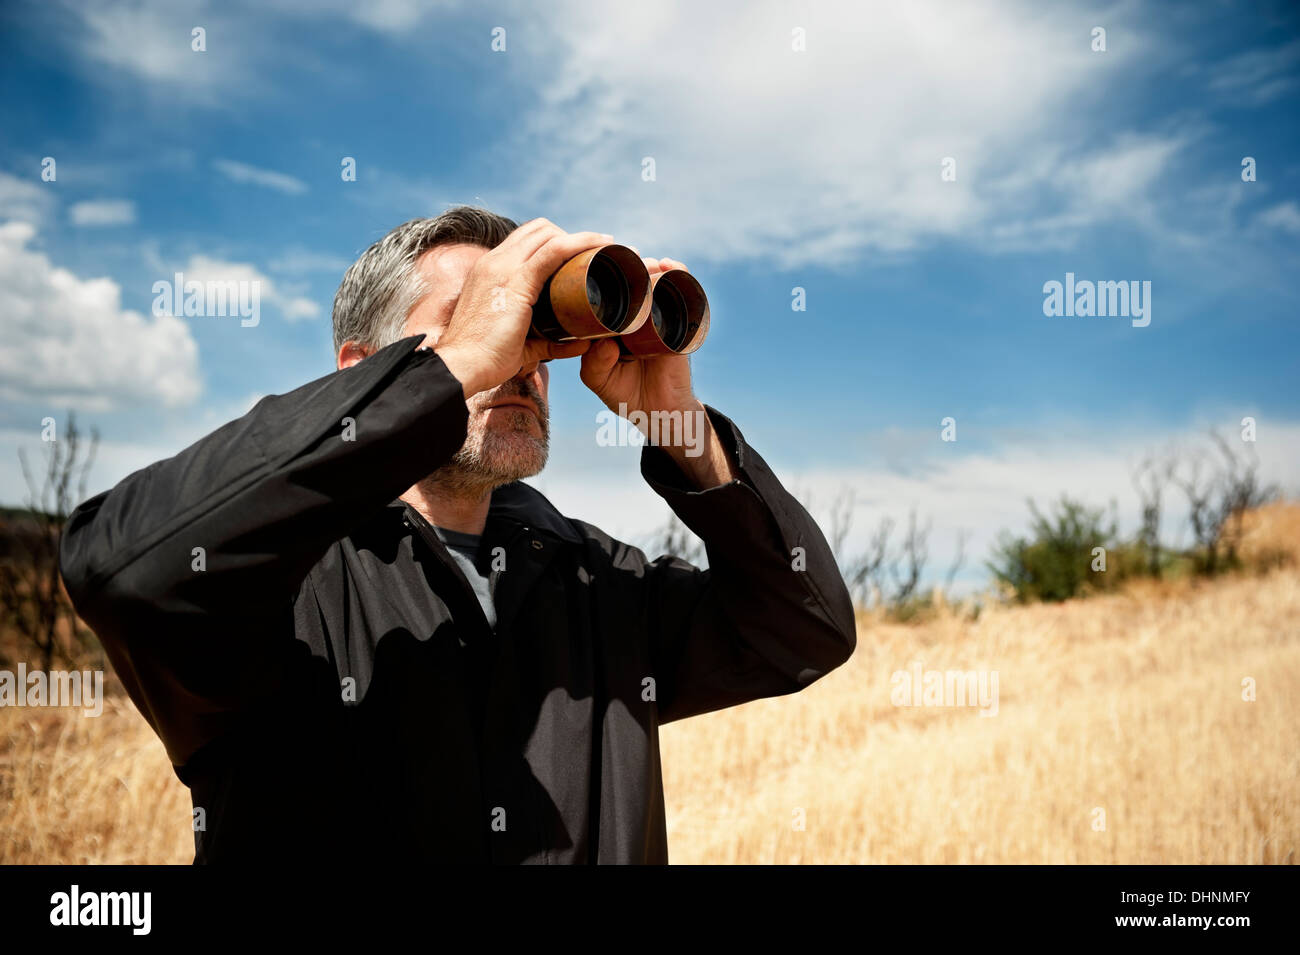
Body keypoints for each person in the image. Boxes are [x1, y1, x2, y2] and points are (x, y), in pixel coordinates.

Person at [58, 207, 857, 864]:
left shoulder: (599, 582)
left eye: (532, 331)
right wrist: (453, 369)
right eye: (478, 322)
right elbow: (124, 568)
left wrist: (679, 424)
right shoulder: (283, 584)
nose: (519, 361)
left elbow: (805, 630)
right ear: (362, 371)